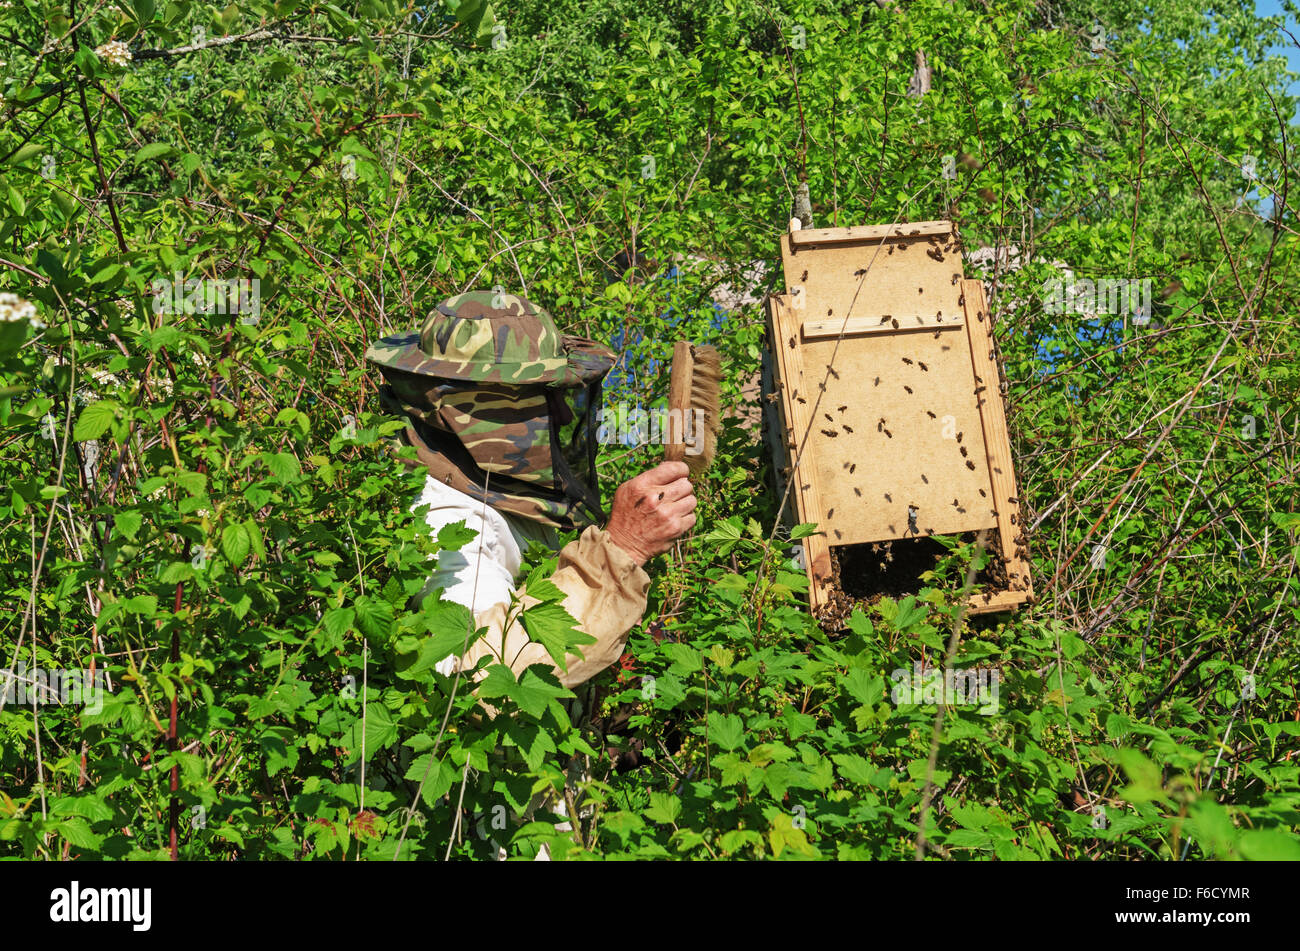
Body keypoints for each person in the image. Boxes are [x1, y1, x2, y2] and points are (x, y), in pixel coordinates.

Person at [365, 290, 697, 689]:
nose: (559, 412)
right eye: (541, 396)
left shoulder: (496, 479)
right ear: (479, 407)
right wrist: (623, 547)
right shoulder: (445, 525)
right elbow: (487, 677)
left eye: (560, 394)